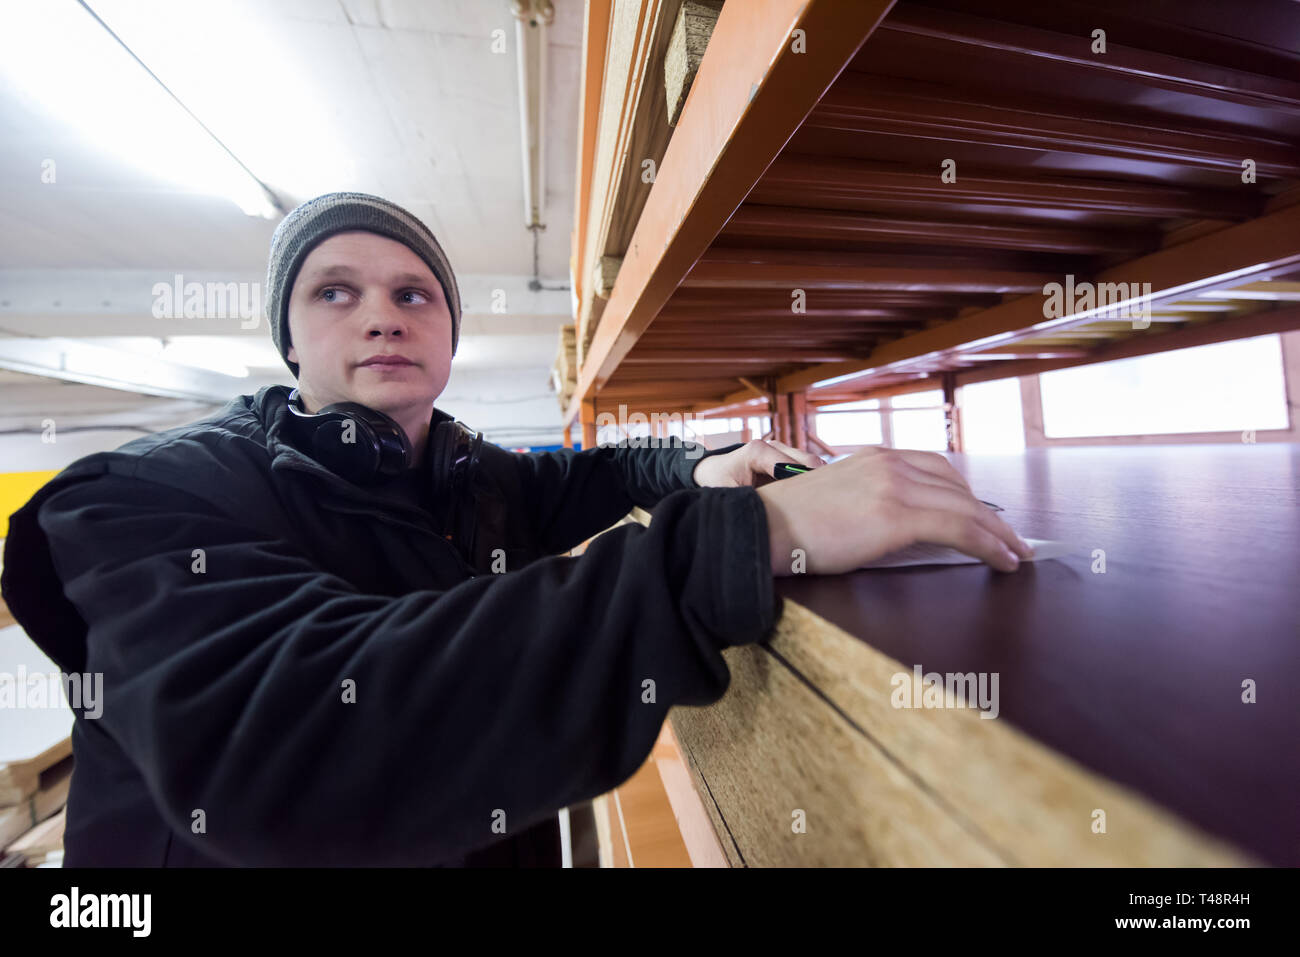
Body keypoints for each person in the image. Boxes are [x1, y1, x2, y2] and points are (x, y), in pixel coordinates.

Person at [0, 193, 1031, 867]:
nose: (382, 316)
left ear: (447, 332)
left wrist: (700, 465)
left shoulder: (464, 473)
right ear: (287, 337)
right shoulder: (143, 498)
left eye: (415, 295)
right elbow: (288, 735)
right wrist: (739, 538)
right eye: (334, 293)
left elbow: (592, 473)